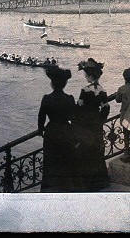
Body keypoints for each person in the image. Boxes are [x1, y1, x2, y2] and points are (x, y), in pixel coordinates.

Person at [37, 65, 76, 192]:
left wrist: (40, 129)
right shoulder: (69, 98)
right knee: (65, 161)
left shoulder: (47, 98)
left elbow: (41, 117)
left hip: (51, 132)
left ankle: (49, 188)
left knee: (50, 162)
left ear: (52, 84)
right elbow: (73, 117)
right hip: (66, 132)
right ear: (65, 84)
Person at [75, 58, 111, 191]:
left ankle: (88, 182)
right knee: (97, 149)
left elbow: (79, 106)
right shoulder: (102, 90)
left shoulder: (85, 90)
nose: (85, 77)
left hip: (86, 124)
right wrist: (100, 120)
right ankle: (100, 180)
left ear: (90, 76)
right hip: (96, 124)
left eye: (86, 75)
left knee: (86, 149)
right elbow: (106, 108)